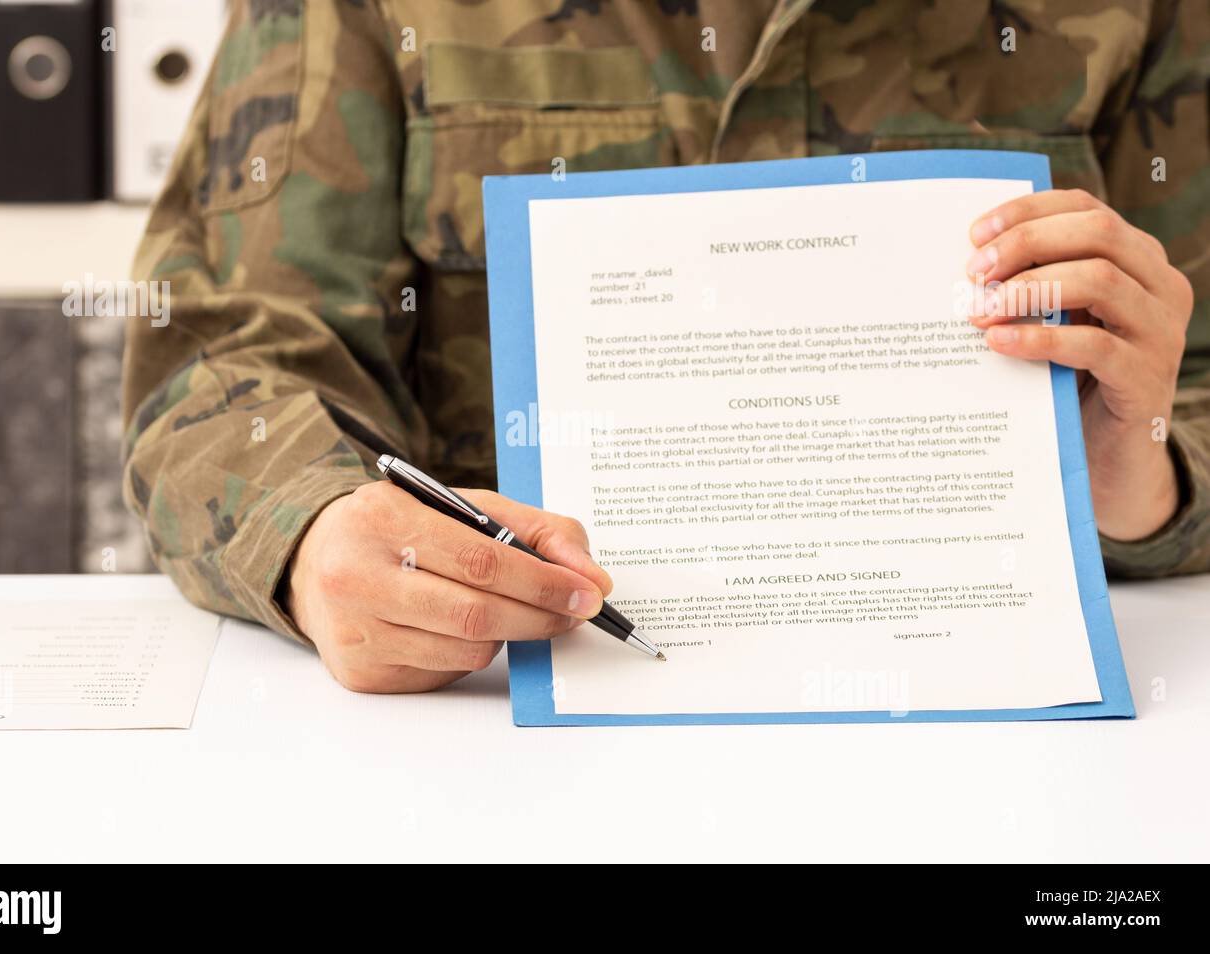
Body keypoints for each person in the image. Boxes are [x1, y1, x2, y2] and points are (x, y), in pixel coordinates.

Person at [122, 0, 1209, 693]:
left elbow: (1193, 376)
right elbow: (222, 356)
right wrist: (312, 535)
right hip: (491, 735)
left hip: (1007, 744)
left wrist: (1143, 474)